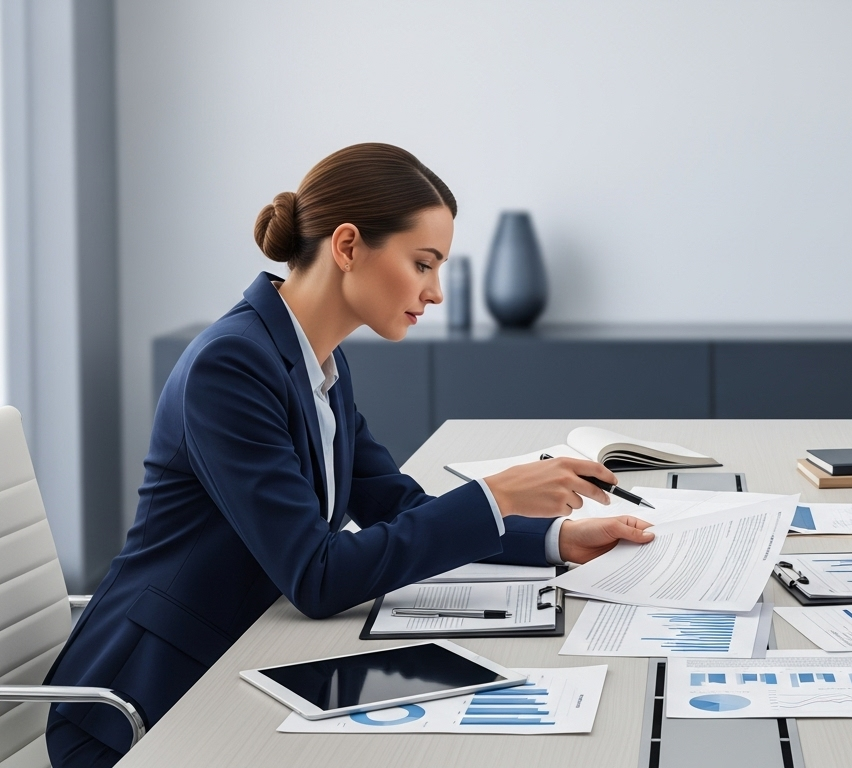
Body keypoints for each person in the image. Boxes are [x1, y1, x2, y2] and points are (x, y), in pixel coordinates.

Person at [44, 143, 654, 768]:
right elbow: (317, 575)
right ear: (347, 247)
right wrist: (495, 495)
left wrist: (556, 539)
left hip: (247, 653)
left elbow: (397, 507)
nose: (436, 292)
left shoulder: (319, 363)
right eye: (423, 264)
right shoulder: (230, 366)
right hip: (141, 705)